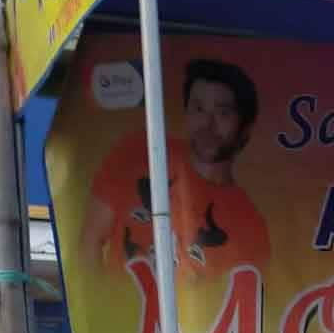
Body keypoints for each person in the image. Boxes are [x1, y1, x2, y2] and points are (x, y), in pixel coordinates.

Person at [81, 58, 271, 281]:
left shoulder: (250, 225)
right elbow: (91, 240)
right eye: (198, 108)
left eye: (223, 113)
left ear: (245, 128)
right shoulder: (141, 153)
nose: (207, 125)